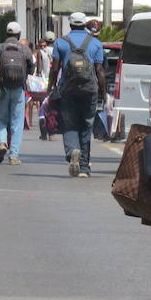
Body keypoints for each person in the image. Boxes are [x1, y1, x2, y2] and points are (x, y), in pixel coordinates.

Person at [49, 12, 106, 178]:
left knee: (70, 124)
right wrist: (104, 93)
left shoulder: (61, 42)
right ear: (85, 24)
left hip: (68, 91)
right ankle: (84, 168)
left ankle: (73, 151)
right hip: (90, 91)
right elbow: (100, 70)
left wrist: (50, 87)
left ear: (71, 24)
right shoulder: (95, 43)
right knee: (86, 127)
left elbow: (55, 68)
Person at [0, 21, 34, 165]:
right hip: (18, 89)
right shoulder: (24, 49)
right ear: (19, 34)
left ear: (6, 33)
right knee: (17, 122)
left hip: (2, 87)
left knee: (1, 119)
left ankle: (3, 142)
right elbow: (31, 69)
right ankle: (14, 155)